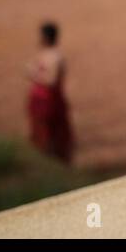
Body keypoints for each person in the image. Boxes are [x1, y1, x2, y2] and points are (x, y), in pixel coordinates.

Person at [26, 22, 74, 164]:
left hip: (49, 102)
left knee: (53, 138)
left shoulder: (55, 57)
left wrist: (32, 74)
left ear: (45, 37)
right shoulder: (45, 54)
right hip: (41, 100)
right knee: (42, 136)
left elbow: (52, 80)